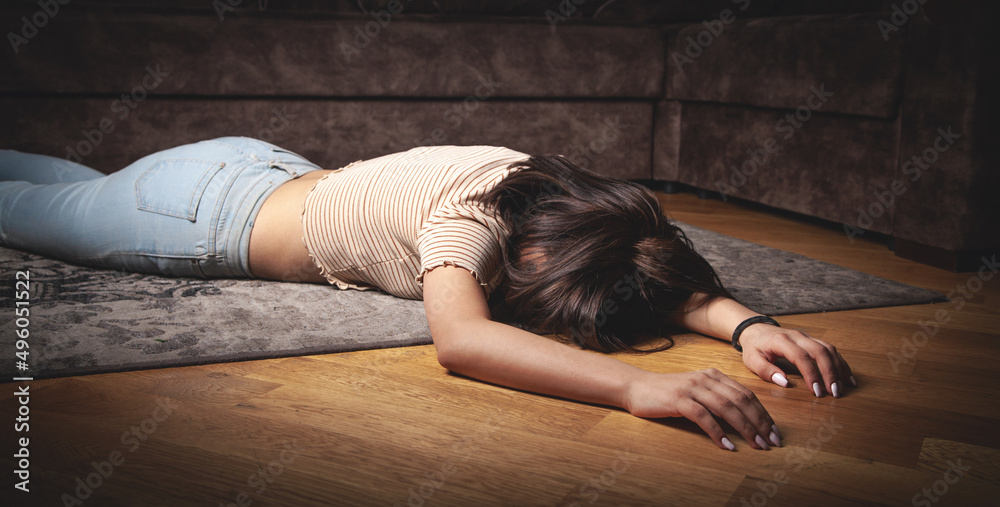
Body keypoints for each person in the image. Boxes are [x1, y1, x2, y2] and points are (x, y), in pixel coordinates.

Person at [0, 137, 854, 451]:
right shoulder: (471, 223)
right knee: (28, 210)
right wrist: (636, 384)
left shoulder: (541, 187)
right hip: (199, 217)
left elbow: (644, 260)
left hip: (246, 167)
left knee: (64, 192)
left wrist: (748, 326)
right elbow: (463, 342)